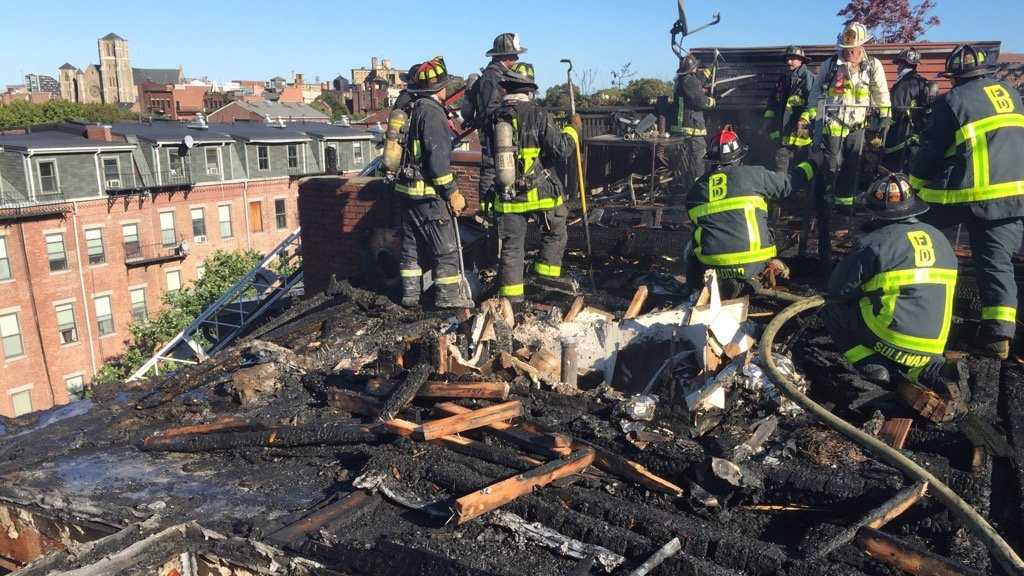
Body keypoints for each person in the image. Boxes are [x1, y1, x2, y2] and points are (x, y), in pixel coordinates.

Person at [910, 44, 1024, 359]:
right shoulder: (1010, 93)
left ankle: (914, 306)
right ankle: (998, 337)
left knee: (918, 232)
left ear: (956, 77)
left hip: (970, 192)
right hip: (1015, 194)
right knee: (996, 263)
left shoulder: (954, 100)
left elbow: (933, 148)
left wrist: (913, 187)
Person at [825, 173, 964, 422]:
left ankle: (873, 366)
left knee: (833, 310)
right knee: (915, 343)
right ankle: (930, 367)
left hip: (892, 338)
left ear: (875, 211)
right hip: (934, 342)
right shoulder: (940, 237)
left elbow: (838, 290)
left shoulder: (875, 243)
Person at [487, 63, 582, 301]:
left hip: (507, 196)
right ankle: (546, 282)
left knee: (512, 248)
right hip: (540, 192)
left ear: (506, 87)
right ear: (530, 89)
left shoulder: (493, 117)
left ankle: (512, 301)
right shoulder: (538, 113)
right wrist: (573, 129)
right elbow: (560, 149)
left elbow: (487, 159)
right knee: (555, 233)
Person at [685, 127, 815, 297]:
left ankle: (693, 291)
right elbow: (786, 184)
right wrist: (812, 164)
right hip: (754, 263)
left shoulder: (696, 190)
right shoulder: (754, 175)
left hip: (712, 267)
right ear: (740, 156)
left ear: (711, 160)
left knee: (690, 247)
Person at [809, 22, 892, 267]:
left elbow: (881, 93)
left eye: (853, 48)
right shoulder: (830, 65)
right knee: (832, 163)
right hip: (832, 123)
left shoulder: (872, 65)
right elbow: (816, 93)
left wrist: (884, 120)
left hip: (857, 124)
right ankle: (828, 200)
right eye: (845, 48)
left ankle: (845, 207)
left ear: (862, 45)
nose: (849, 52)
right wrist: (811, 115)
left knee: (853, 166)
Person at [395, 58, 473, 309]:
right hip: (429, 196)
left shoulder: (412, 109)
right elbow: (437, 162)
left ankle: (409, 297)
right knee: (447, 249)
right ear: (440, 88)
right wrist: (451, 192)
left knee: (411, 249)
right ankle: (448, 297)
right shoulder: (432, 113)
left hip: (407, 193)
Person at [463, 33, 526, 213]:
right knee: (491, 169)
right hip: (494, 136)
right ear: (505, 56)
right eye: (514, 55)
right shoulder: (493, 77)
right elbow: (490, 109)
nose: (517, 58)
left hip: (499, 135)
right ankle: (488, 214)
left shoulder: (499, 74)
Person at [762, 45, 816, 173]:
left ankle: (801, 190)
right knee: (780, 163)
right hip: (783, 128)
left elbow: (814, 102)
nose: (788, 62)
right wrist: (769, 119)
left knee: (801, 165)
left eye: (792, 59)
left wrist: (805, 118)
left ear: (801, 60)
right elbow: (773, 99)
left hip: (800, 129)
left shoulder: (808, 78)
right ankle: (782, 190)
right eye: (787, 59)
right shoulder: (783, 78)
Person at [669, 54, 716, 193]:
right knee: (699, 159)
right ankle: (699, 189)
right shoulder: (689, 81)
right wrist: (713, 102)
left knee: (685, 161)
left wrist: (711, 67)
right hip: (692, 128)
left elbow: (699, 80)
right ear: (692, 69)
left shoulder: (683, 80)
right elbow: (700, 100)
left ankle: (686, 185)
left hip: (681, 127)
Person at [883, 48, 934, 172]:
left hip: (901, 135)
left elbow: (895, 111)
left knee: (893, 170)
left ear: (902, 64)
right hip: (916, 135)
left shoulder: (904, 85)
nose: (897, 68)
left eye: (899, 64)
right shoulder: (921, 82)